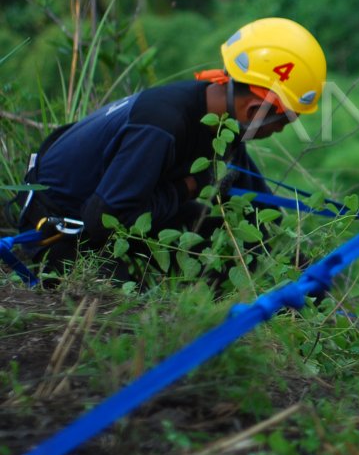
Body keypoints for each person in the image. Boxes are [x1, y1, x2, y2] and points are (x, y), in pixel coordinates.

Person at [14, 17, 326, 282]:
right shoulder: (162, 126)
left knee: (233, 243)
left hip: (105, 212)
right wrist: (187, 188)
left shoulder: (221, 122)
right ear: (255, 109)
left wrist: (305, 271)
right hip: (61, 236)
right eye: (282, 123)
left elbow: (256, 204)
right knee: (178, 281)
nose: (278, 132)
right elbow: (102, 221)